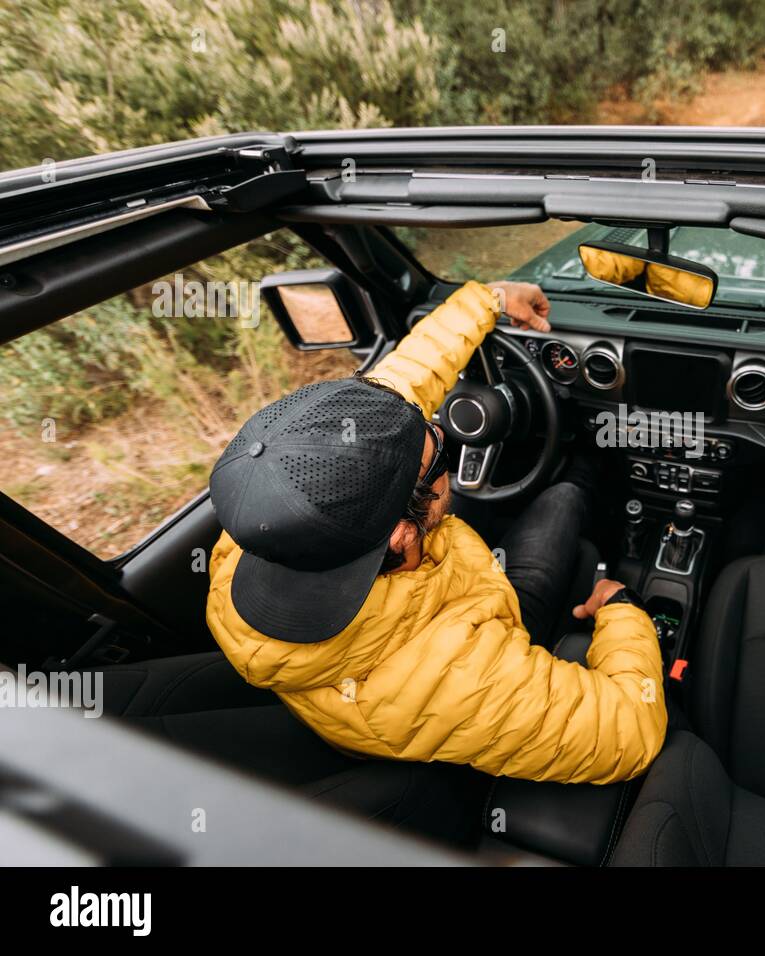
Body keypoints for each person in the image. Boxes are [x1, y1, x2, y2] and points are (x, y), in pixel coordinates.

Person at [204, 279, 667, 785]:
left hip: (440, 602)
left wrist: (490, 299)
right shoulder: (459, 682)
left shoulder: (258, 534)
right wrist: (622, 609)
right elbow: (632, 731)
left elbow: (402, 385)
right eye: (439, 454)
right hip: (469, 645)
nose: (444, 429)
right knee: (567, 495)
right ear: (402, 535)